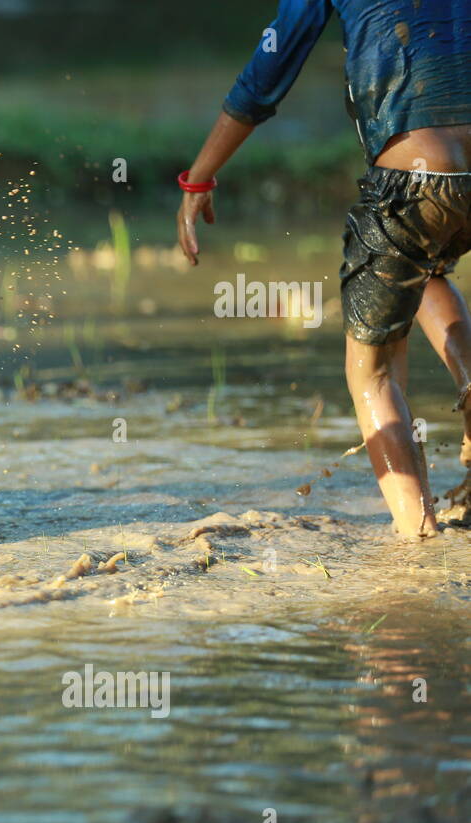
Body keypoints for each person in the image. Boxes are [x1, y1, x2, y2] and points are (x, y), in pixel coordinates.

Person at [176, 0, 471, 537]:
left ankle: (418, 539)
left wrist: (199, 179)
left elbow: (266, 74)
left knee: (371, 372)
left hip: (413, 173)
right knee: (425, 267)